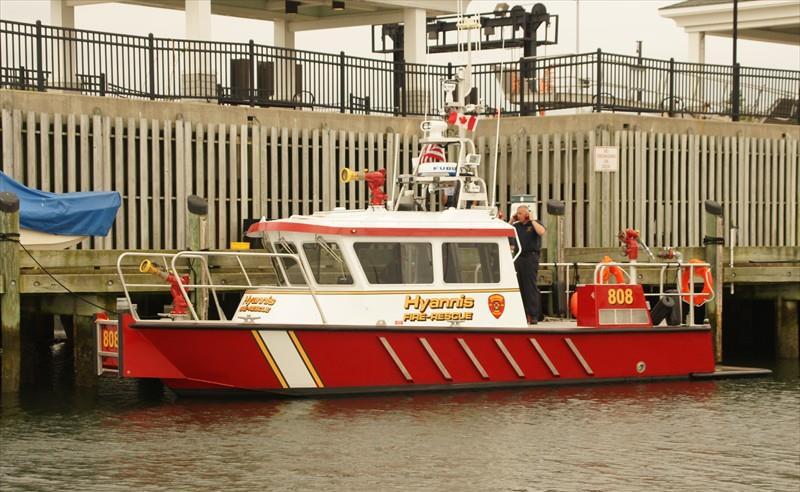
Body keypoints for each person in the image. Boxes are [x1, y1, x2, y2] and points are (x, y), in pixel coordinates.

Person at [510, 205, 546, 324]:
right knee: (519, 285)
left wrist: (532, 219)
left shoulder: (534, 224)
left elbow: (541, 232)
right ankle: (522, 313)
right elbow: (507, 231)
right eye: (517, 213)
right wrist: (511, 220)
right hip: (519, 257)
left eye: (520, 213)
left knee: (530, 286)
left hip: (531, 257)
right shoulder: (516, 226)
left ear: (526, 214)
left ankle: (533, 314)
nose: (518, 215)